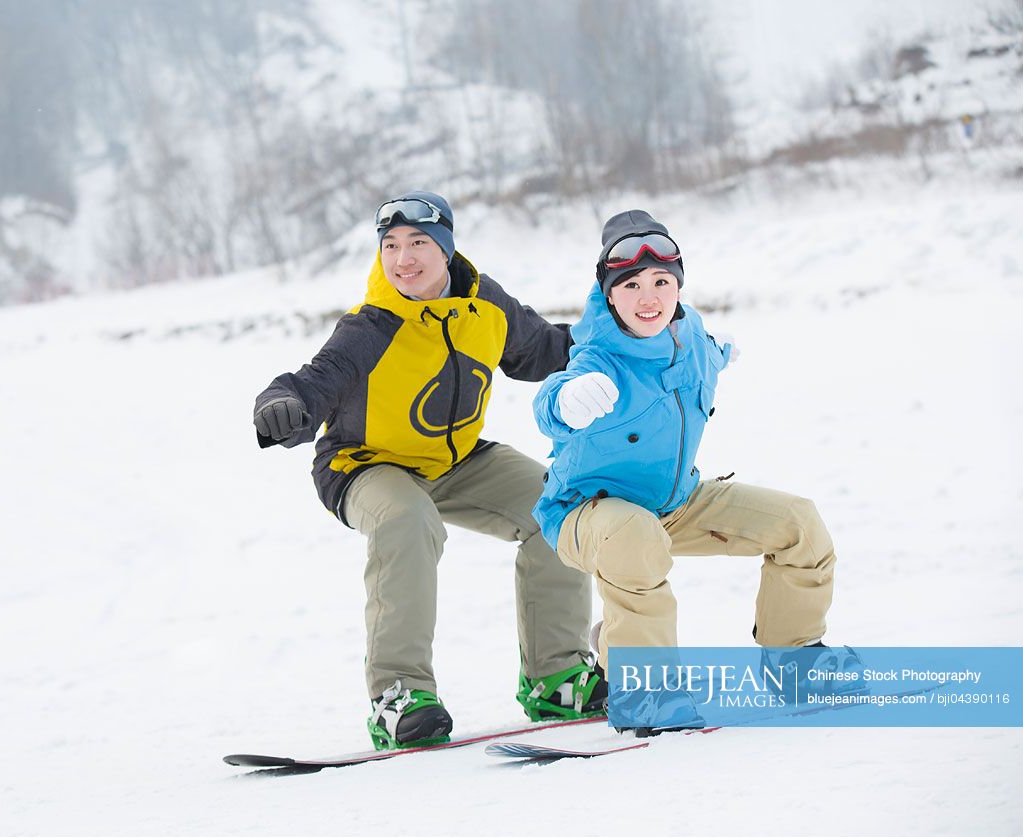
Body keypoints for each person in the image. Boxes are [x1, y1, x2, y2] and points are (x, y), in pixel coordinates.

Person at [252, 191, 604, 750]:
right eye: (390, 246)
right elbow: (314, 381)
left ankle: (557, 678)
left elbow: (545, 350)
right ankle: (399, 697)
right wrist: (281, 404)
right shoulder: (371, 325)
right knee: (407, 520)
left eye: (418, 243)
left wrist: (620, 338)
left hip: (454, 460)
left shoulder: (485, 304)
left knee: (554, 504)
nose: (403, 259)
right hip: (365, 463)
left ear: (446, 249)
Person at [532, 209, 863, 736]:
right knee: (634, 539)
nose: (649, 298)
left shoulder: (691, 340)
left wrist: (723, 352)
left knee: (798, 523)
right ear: (608, 294)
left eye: (662, 282)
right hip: (584, 513)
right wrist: (562, 401)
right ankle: (644, 689)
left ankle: (796, 662)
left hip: (675, 502)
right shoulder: (597, 358)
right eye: (632, 284)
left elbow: (708, 352)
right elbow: (551, 402)